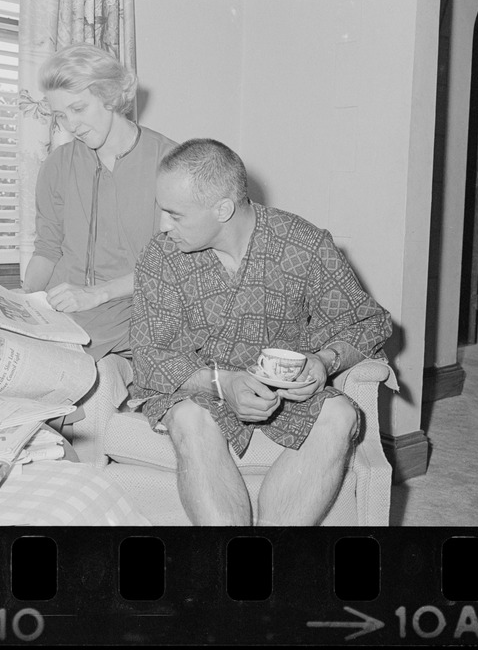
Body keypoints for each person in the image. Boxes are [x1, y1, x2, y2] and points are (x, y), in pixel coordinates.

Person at [130, 138, 393, 526]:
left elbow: (369, 322)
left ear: (223, 209)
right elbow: (150, 354)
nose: (163, 225)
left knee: (339, 415)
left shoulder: (303, 244)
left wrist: (324, 362)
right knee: (189, 421)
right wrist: (223, 383)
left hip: (283, 392)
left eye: (175, 214)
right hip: (198, 388)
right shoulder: (161, 256)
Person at [22, 44, 177, 361]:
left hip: (134, 308)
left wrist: (96, 294)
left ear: (110, 95)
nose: (71, 125)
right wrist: (23, 301)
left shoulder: (171, 163)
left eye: (78, 108)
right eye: (60, 115)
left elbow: (176, 267)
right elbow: (47, 249)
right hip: (65, 309)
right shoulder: (57, 164)